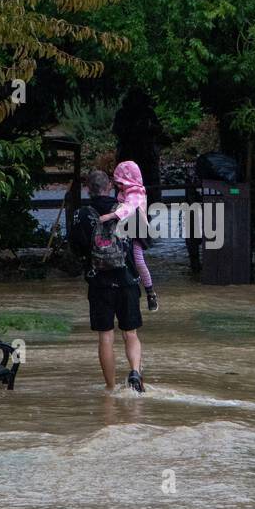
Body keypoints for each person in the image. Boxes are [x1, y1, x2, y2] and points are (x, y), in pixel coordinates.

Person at [70, 167, 146, 392]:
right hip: (127, 279)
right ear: (110, 187)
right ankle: (135, 372)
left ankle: (111, 389)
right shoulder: (128, 209)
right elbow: (143, 240)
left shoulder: (81, 214)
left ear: (88, 189)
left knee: (106, 336)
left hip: (99, 282)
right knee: (130, 333)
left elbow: (76, 248)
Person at [96, 160, 159, 312]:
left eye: (120, 182)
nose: (117, 185)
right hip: (126, 228)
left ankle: (150, 292)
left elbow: (129, 209)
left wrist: (109, 216)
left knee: (137, 259)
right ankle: (126, 284)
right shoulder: (125, 191)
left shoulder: (137, 192)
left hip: (137, 229)